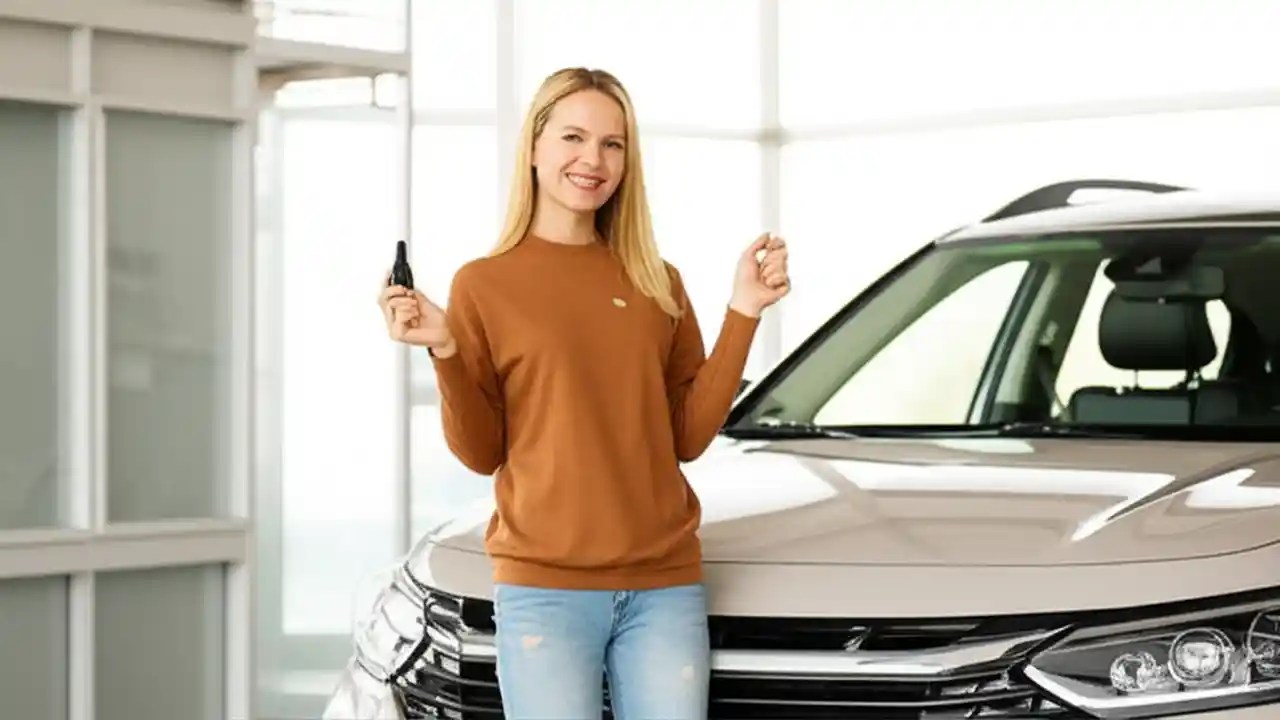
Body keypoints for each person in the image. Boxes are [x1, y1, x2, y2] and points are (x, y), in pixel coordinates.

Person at [377, 67, 789, 719]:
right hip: (544, 592)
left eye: (612, 144)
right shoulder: (484, 285)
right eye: (573, 137)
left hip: (664, 589)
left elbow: (688, 436)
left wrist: (743, 311)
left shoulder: (658, 280)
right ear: (535, 146)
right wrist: (447, 349)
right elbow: (482, 452)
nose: (592, 160)